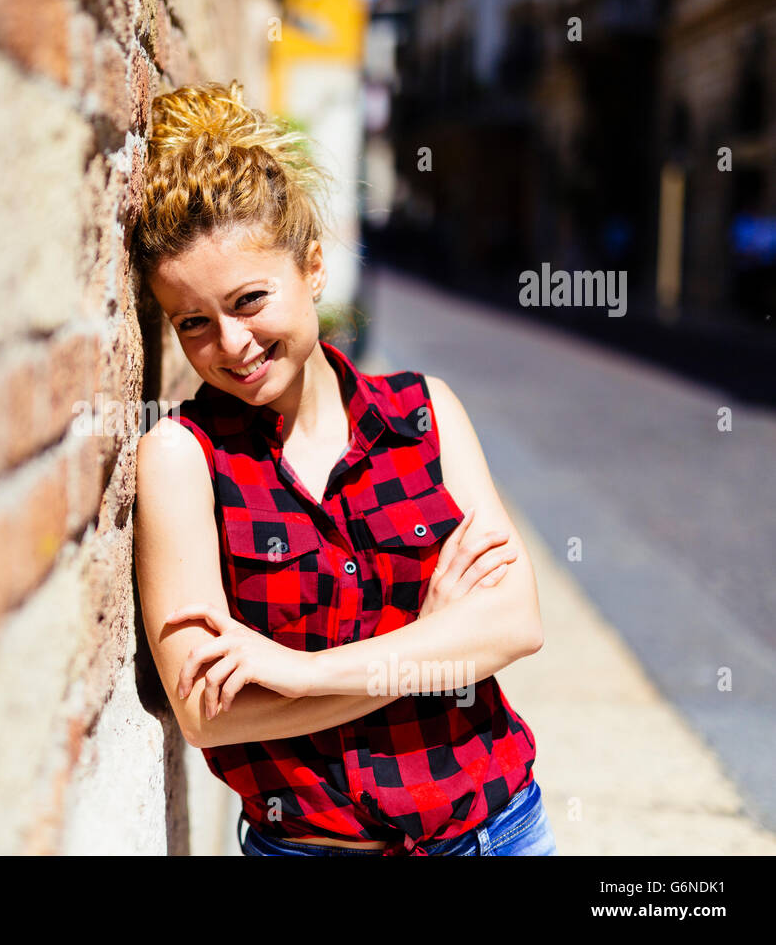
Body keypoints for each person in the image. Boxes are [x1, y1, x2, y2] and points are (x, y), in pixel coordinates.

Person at [130, 80, 556, 856]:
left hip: (502, 832)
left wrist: (295, 673)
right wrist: (432, 645)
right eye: (194, 322)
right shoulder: (182, 459)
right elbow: (208, 713)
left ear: (313, 268)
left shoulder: (425, 413)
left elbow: (513, 622)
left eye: (250, 299)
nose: (231, 344)